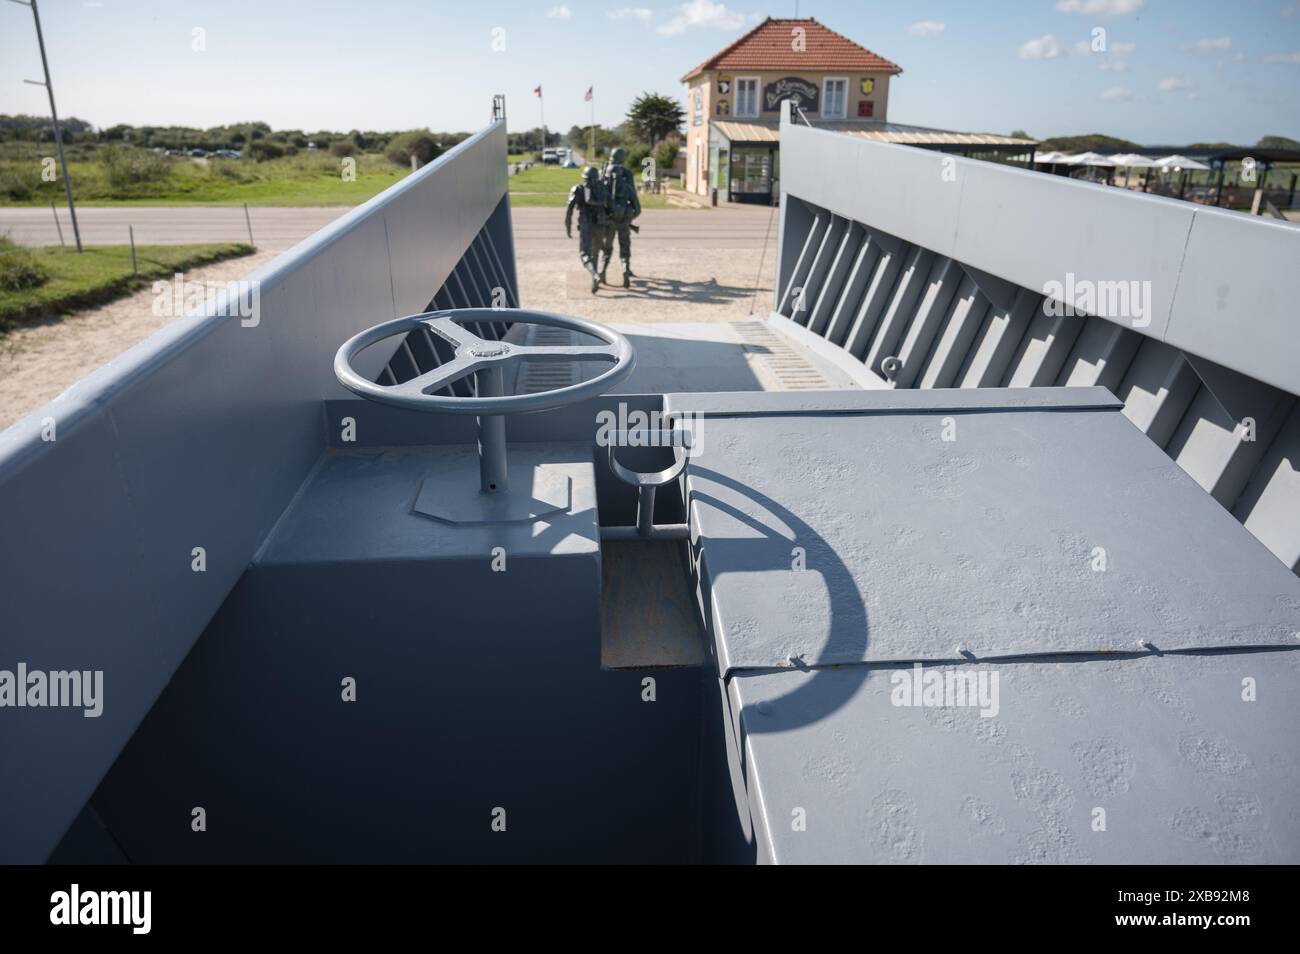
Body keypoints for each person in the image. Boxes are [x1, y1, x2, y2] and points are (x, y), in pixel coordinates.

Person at [564, 166, 613, 294]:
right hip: (600, 225)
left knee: (584, 253)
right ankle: (594, 281)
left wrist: (568, 226)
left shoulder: (578, 189)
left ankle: (595, 275)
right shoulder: (603, 190)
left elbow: (569, 210)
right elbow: (611, 209)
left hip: (586, 226)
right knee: (595, 254)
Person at [602, 147, 642, 288]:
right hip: (623, 219)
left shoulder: (605, 173)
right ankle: (625, 270)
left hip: (609, 220)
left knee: (607, 247)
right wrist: (628, 218)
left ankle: (602, 271)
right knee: (625, 247)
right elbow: (637, 206)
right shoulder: (627, 176)